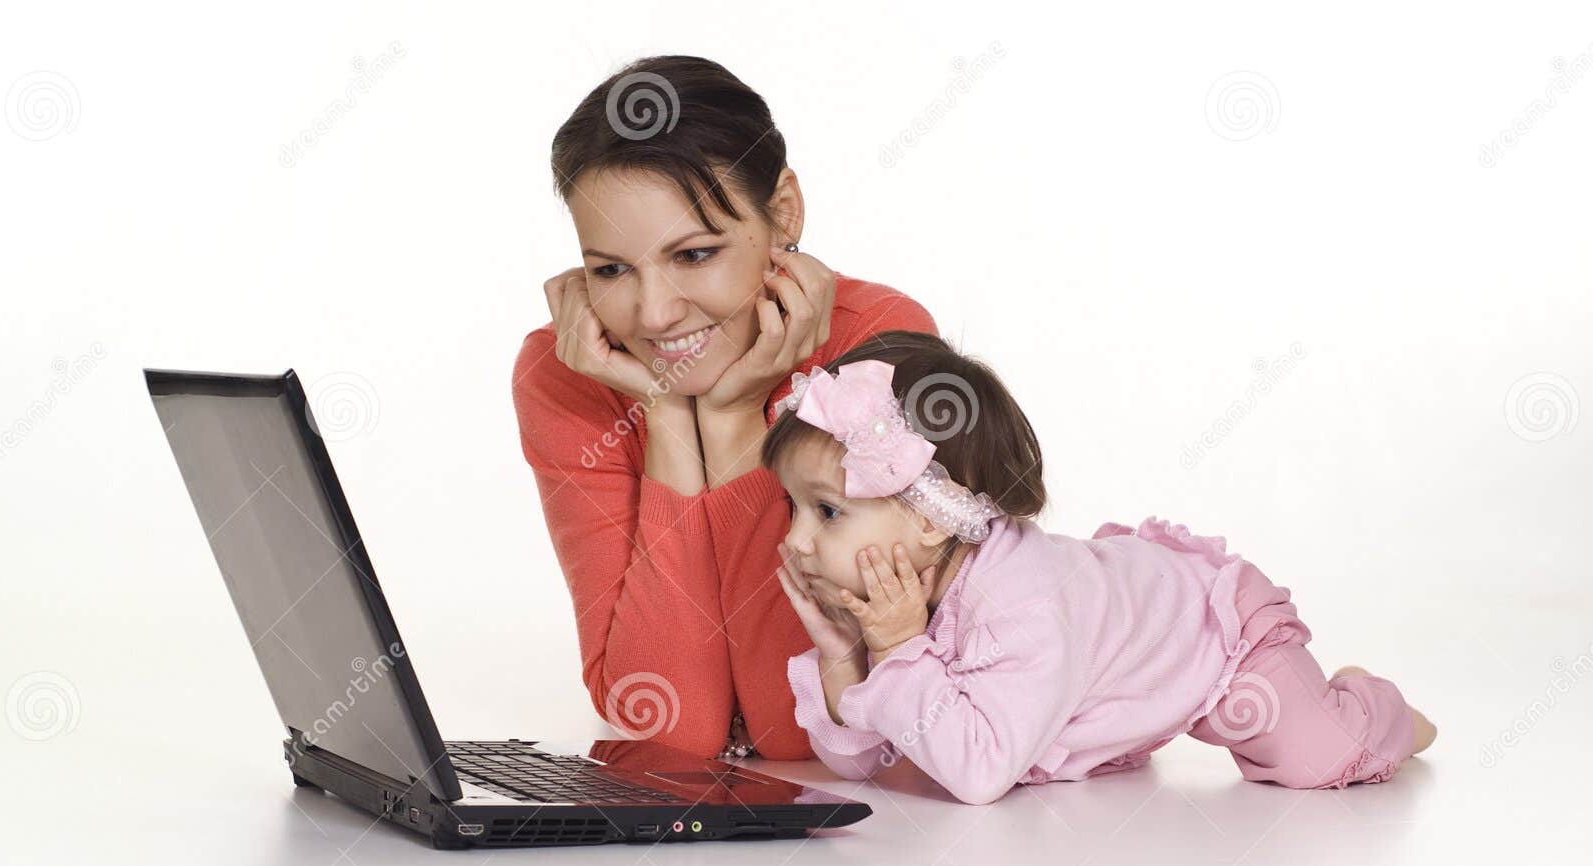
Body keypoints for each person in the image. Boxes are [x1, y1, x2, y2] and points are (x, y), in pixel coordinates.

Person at [766, 331, 1438, 805]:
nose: (795, 541)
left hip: (1214, 639)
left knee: (1307, 753)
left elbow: (977, 772)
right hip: (1110, 658)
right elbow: (866, 763)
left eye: (825, 512)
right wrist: (842, 656)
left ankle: (1375, 709)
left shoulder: (1019, 604)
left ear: (928, 517)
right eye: (791, 507)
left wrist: (893, 648)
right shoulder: (902, 597)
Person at [513, 55, 936, 760]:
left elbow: (790, 727)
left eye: (695, 254)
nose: (652, 313)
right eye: (610, 269)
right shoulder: (568, 375)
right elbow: (668, 724)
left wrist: (735, 421)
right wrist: (667, 415)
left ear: (783, 212)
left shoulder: (880, 347)